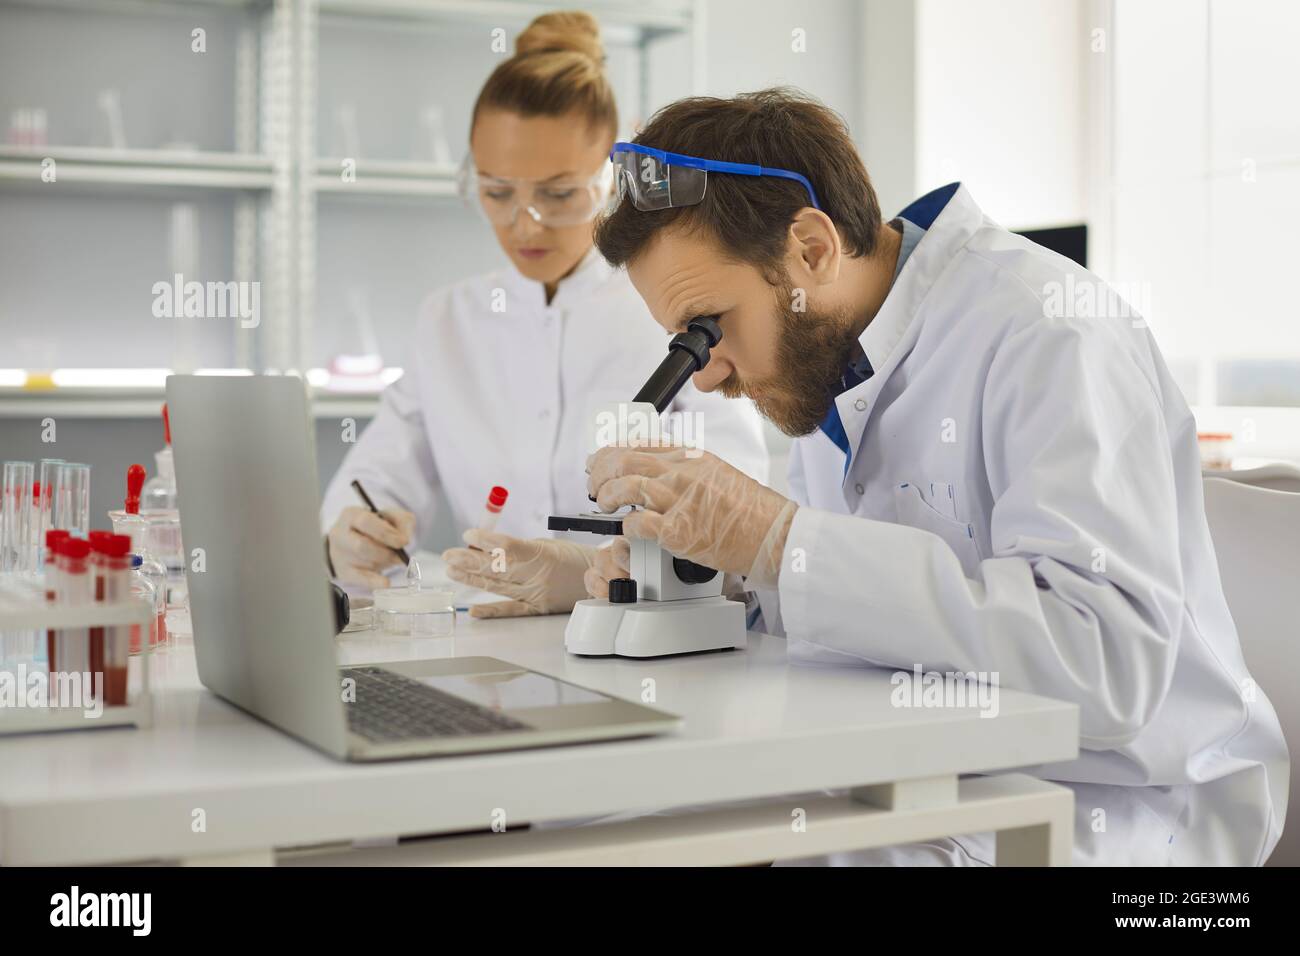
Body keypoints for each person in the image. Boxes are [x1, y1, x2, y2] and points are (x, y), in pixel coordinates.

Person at [583, 88, 1287, 866]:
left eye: (708, 329)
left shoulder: (1050, 331)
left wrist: (782, 542)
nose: (707, 378)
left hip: (1126, 805)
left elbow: (1106, 668)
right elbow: (868, 612)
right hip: (936, 769)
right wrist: (705, 582)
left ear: (812, 249)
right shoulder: (830, 358)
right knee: (616, 829)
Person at [320, 12, 767, 615]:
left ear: (613, 173)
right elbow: (372, 486)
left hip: (645, 636)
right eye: (498, 193)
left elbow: (739, 521)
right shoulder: (448, 322)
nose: (524, 223)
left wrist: (593, 571)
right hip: (487, 639)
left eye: (558, 194)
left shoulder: (674, 309)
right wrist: (349, 540)